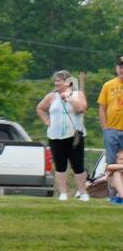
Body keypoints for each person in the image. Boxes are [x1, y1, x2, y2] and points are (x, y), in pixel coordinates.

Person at [38, 71, 89, 201]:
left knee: (78, 165)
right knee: (60, 165)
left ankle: (83, 193)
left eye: (59, 81)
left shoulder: (78, 94)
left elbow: (81, 109)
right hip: (55, 135)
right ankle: (63, 193)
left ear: (68, 82)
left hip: (74, 135)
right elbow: (40, 108)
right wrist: (47, 121)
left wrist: (69, 98)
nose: (56, 83)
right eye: (55, 81)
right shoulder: (51, 96)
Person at [97, 56, 123, 174]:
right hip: (111, 130)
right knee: (111, 163)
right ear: (116, 68)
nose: (122, 70)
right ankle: (113, 192)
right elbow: (102, 108)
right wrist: (105, 128)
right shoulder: (108, 85)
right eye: (121, 67)